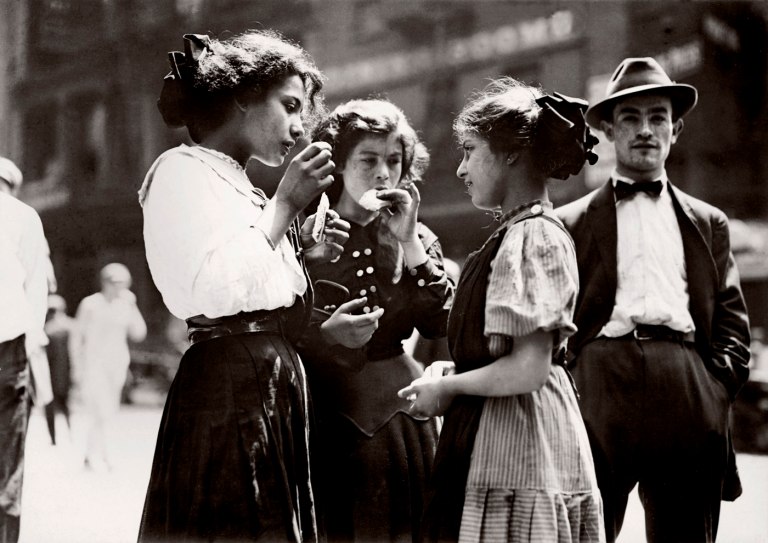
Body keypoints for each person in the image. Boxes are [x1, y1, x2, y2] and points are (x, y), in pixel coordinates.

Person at [138, 31, 349, 542]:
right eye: (290, 105)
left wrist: (304, 251)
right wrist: (284, 206)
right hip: (227, 385)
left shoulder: (241, 186)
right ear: (243, 95)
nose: (299, 128)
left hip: (267, 382)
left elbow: (264, 294)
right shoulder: (179, 171)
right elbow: (212, 291)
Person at [399, 78, 603, 543]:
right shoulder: (514, 233)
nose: (460, 169)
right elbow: (502, 353)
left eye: (470, 150)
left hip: (520, 442)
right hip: (497, 428)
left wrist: (447, 387)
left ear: (511, 153)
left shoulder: (534, 235)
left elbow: (529, 369)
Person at [556, 57, 751, 543]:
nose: (645, 130)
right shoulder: (570, 221)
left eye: (657, 117)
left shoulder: (709, 222)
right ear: (607, 129)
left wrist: (714, 387)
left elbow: (731, 319)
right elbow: (556, 316)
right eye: (630, 118)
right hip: (600, 384)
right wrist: (578, 378)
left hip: (686, 385)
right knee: (585, 531)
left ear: (676, 128)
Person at [297, 98, 455, 542]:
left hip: (398, 412)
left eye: (394, 161)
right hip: (322, 409)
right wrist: (324, 335)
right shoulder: (305, 233)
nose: (384, 174)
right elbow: (272, 321)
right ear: (340, 164)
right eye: (369, 160)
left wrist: (410, 244)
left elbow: (441, 323)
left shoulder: (417, 237)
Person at [0, 158, 50, 543]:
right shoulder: (23, 216)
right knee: (7, 468)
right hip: (9, 349)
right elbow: (37, 292)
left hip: (11, 349)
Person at [69, 263, 147, 470]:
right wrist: (76, 367)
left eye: (123, 282)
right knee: (100, 410)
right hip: (93, 364)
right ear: (104, 282)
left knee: (108, 410)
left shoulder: (125, 304)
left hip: (117, 364)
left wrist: (133, 305)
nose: (119, 286)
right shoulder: (91, 304)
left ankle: (91, 453)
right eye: (114, 281)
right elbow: (76, 338)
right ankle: (104, 455)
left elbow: (139, 333)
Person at [43, 294, 76, 446]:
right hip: (54, 374)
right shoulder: (70, 326)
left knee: (64, 407)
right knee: (57, 408)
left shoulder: (64, 327)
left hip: (62, 374)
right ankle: (57, 438)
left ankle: (68, 436)